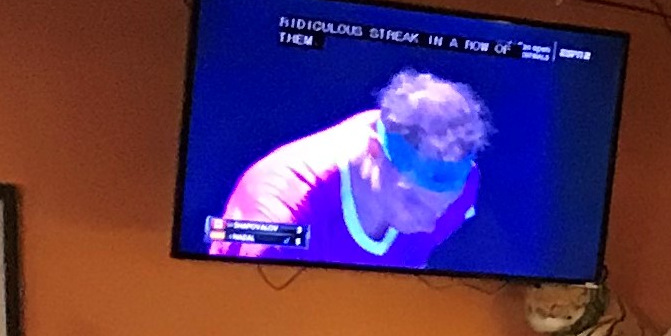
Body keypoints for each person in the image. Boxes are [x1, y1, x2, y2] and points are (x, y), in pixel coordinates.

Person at [210, 69, 491, 268]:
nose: (430, 226)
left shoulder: (459, 183)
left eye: (442, 208)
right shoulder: (275, 220)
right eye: (412, 200)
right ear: (375, 152)